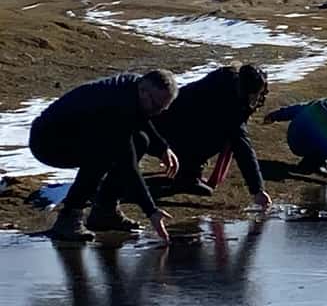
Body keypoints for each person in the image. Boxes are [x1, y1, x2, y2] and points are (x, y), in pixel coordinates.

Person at [29, 70, 181, 242]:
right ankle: (69, 218)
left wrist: (162, 148)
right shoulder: (115, 107)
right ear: (143, 91)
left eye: (163, 109)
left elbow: (142, 118)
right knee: (104, 151)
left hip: (78, 132)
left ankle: (105, 211)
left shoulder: (135, 88)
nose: (157, 113)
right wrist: (151, 211)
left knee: (140, 140)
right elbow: (128, 166)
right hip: (48, 142)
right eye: (156, 106)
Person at [152, 64, 273, 210]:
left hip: (171, 120)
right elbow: (243, 148)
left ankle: (189, 173)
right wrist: (257, 190)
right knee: (219, 137)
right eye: (257, 94)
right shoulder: (228, 103)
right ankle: (187, 177)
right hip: (169, 127)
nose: (260, 98)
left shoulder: (227, 80)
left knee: (216, 133)